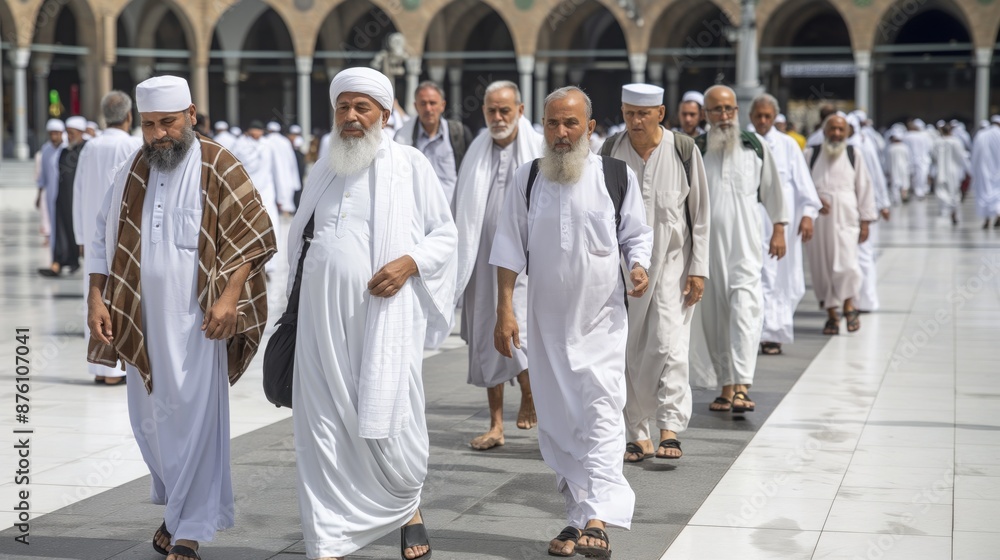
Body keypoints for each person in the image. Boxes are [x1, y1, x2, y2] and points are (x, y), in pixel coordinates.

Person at [86, 75, 276, 560]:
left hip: (198, 324)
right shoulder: (133, 168)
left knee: (195, 420)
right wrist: (96, 298)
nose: (157, 135)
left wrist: (230, 297)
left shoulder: (218, 163)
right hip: (140, 319)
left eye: (167, 123)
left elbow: (255, 235)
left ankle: (189, 529)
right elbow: (101, 235)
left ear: (190, 115)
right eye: (148, 125)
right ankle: (176, 513)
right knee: (148, 420)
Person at [290, 67, 457, 560]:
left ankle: (408, 507)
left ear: (385, 114)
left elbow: (445, 235)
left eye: (362, 107)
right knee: (320, 425)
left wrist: (409, 263)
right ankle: (327, 539)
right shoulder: (324, 167)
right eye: (343, 107)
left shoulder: (409, 165)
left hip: (382, 319)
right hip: (320, 323)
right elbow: (304, 238)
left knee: (394, 417)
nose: (351, 117)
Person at [491, 86, 653, 558]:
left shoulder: (615, 175)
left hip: (601, 321)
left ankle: (598, 520)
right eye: (553, 124)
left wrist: (638, 266)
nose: (561, 134)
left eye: (571, 124)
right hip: (545, 326)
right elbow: (506, 250)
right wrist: (504, 310)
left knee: (602, 412)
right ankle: (576, 517)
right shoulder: (527, 179)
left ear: (590, 127)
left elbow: (636, 236)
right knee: (559, 426)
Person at [599, 83, 710, 462]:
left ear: (660, 113)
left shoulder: (683, 150)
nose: (635, 121)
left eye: (642, 114)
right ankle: (637, 433)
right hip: (624, 268)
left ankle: (670, 427)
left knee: (669, 343)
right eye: (629, 113)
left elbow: (700, 214)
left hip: (674, 267)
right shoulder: (612, 150)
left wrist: (699, 268)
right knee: (629, 349)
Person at [453, 80, 542, 450]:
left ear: (520, 110)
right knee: (486, 333)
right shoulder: (477, 148)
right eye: (491, 110)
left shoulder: (538, 150)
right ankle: (495, 425)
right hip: (482, 258)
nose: (498, 117)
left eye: (505, 110)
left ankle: (529, 391)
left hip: (524, 262)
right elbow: (462, 205)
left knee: (519, 330)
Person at [690, 85, 788, 416]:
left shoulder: (754, 146)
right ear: (706, 114)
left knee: (746, 309)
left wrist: (779, 227)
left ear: (737, 111)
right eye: (716, 110)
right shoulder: (695, 149)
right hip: (708, 249)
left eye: (729, 109)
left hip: (746, 246)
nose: (724, 116)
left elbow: (773, 189)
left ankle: (743, 383)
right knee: (716, 317)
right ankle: (726, 386)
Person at [72, 91, 143, 385]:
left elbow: (77, 191)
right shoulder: (132, 145)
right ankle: (114, 369)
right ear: (128, 117)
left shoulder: (90, 146)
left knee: (96, 298)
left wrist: (80, 234)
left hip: (92, 232)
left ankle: (101, 368)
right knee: (118, 297)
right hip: (119, 233)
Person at [749, 94, 821, 356]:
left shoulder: (788, 145)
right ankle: (754, 330)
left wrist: (807, 215)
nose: (763, 121)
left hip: (782, 226)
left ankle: (774, 332)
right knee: (754, 276)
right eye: (759, 116)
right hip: (750, 223)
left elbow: (804, 185)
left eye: (768, 116)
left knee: (781, 278)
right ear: (751, 116)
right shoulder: (744, 143)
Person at [804, 113, 876, 335]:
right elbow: (801, 185)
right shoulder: (810, 154)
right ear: (824, 131)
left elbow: (864, 188)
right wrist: (814, 201)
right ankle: (832, 315)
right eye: (832, 129)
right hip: (819, 220)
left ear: (847, 133)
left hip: (846, 218)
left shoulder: (854, 154)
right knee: (821, 267)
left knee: (847, 264)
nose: (836, 134)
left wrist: (865, 222)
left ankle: (849, 304)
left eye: (840, 130)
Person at [395, 81, 474, 207]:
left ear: (442, 105)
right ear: (416, 106)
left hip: (453, 213)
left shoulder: (459, 134)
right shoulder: (401, 138)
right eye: (423, 103)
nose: (428, 109)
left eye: (432, 103)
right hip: (418, 213)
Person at [232, 121, 295, 274]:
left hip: (266, 193)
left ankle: (269, 262)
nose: (256, 134)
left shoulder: (268, 146)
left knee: (269, 225)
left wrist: (283, 198)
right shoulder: (238, 145)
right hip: (244, 193)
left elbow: (278, 170)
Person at [846, 113, 891, 314]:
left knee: (864, 255)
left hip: (863, 206)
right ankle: (852, 299)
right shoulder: (840, 147)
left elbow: (876, 174)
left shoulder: (862, 145)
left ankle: (866, 300)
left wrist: (883, 203)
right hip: (846, 209)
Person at [40, 116, 88, 277]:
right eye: (68, 133)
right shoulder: (65, 151)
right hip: (64, 197)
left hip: (83, 199)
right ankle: (59, 262)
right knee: (62, 229)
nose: (69, 136)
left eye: (72, 133)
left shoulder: (88, 149)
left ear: (81, 132)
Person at [36, 119, 66, 255]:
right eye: (51, 134)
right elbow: (43, 176)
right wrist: (38, 195)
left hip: (65, 193)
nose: (54, 137)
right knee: (53, 223)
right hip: (50, 193)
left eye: (56, 134)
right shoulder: (46, 149)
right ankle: (56, 255)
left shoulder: (67, 148)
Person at [932, 123, 970, 225]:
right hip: (953, 172)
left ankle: (945, 212)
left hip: (941, 171)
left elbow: (934, 156)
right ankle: (953, 212)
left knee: (942, 192)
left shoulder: (937, 142)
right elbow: (962, 157)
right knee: (954, 192)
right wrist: (969, 170)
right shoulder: (956, 142)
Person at [970, 115, 1000, 229]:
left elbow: (975, 154)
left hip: (984, 170)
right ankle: (998, 214)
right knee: (998, 195)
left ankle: (987, 220)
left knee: (984, 193)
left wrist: (973, 169)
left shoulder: (981, 135)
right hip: (998, 171)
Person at [885, 130, 911, 205]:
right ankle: (904, 196)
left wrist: (887, 170)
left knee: (895, 183)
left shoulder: (890, 148)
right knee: (904, 183)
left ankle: (896, 199)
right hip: (904, 168)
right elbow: (908, 159)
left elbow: (887, 161)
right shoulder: (905, 147)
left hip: (894, 168)